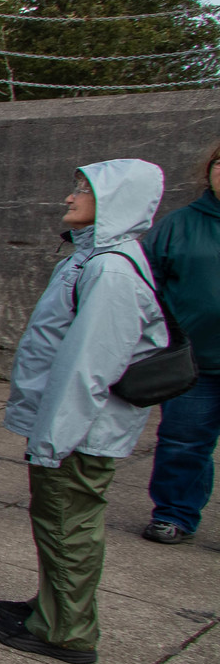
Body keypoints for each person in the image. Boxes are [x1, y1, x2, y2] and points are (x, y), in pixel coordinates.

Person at [0, 158, 168, 664]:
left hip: (80, 430)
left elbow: (88, 365)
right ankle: (51, 607)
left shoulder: (111, 270)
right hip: (72, 424)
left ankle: (67, 631)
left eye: (83, 191)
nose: (70, 198)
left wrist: (53, 439)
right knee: (56, 520)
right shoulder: (92, 259)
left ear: (112, 203)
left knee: (69, 524)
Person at [140, 141, 220, 544]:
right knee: (183, 444)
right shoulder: (179, 225)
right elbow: (144, 284)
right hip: (196, 363)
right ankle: (174, 514)